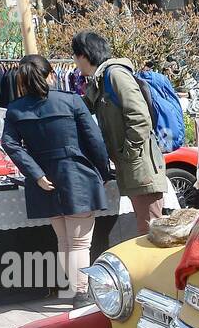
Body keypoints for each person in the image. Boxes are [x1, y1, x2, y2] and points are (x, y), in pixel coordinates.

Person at [1, 54, 112, 308]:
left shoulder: (16, 108)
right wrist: (104, 172)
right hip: (76, 175)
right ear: (50, 74)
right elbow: (94, 140)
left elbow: (9, 144)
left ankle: (77, 290)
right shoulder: (71, 100)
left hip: (45, 179)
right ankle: (81, 294)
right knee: (79, 243)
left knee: (64, 241)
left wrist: (36, 173)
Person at [72, 32, 168, 237]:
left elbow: (140, 118)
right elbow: (81, 108)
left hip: (141, 167)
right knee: (147, 230)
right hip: (134, 166)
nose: (74, 61)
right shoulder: (100, 81)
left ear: (83, 55)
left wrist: (128, 154)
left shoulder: (115, 75)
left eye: (75, 55)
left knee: (152, 230)